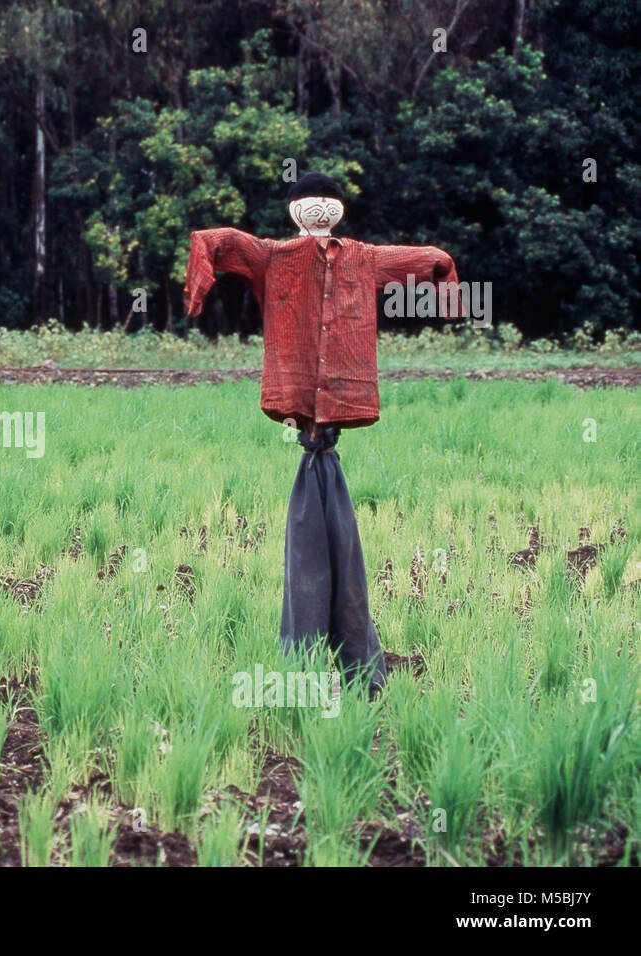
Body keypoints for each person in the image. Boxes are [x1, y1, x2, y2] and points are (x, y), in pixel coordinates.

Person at [183, 173, 462, 699]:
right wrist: (202, 269)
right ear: (294, 211)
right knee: (320, 532)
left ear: (337, 209)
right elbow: (220, 242)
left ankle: (332, 655)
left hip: (340, 399)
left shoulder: (362, 258)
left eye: (324, 202)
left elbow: (423, 259)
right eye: (306, 203)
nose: (315, 209)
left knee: (328, 533)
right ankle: (317, 654)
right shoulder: (275, 256)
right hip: (300, 403)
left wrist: (444, 278)